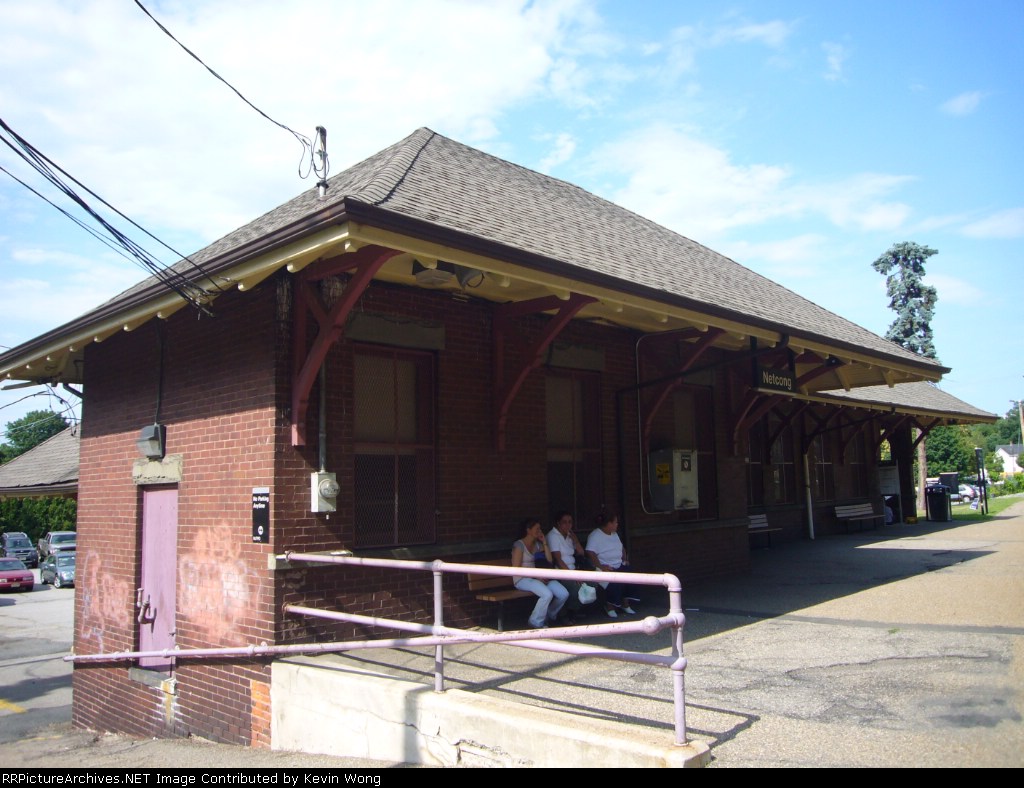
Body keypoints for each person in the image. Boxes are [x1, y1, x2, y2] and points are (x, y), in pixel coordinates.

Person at [511, 517, 569, 629]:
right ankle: (535, 621)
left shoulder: (538, 544)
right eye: (537, 529)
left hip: (539, 577)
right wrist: (536, 576)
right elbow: (516, 568)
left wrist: (545, 542)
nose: (539, 531)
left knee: (563, 594)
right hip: (522, 579)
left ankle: (548, 615)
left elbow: (549, 560)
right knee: (547, 594)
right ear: (528, 530)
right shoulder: (519, 545)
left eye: (540, 529)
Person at [585, 512, 639, 618]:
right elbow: (590, 552)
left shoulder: (614, 534)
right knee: (616, 580)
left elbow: (621, 547)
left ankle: (625, 604)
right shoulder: (595, 535)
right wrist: (600, 566)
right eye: (615, 522)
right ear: (608, 523)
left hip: (619, 564)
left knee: (630, 575)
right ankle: (610, 606)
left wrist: (625, 558)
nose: (617, 524)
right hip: (606, 567)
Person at [546, 511, 591, 623]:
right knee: (576, 587)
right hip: (561, 572)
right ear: (558, 523)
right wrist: (572, 576)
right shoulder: (553, 536)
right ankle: (566, 614)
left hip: (574, 569)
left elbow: (581, 553)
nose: (568, 525)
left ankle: (575, 610)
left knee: (592, 584)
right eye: (564, 522)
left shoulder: (570, 536)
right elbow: (558, 559)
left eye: (570, 522)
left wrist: (575, 540)